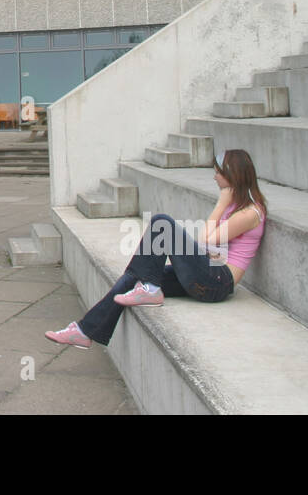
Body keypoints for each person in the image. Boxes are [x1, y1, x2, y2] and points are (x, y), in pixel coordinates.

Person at [46, 148, 268, 349]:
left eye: (218, 172)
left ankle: (150, 289)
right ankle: (85, 331)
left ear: (232, 176)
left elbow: (205, 241)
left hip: (217, 282)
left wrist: (221, 204)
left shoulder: (250, 213)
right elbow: (213, 247)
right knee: (136, 277)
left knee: (162, 224)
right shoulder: (236, 207)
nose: (214, 176)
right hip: (210, 272)